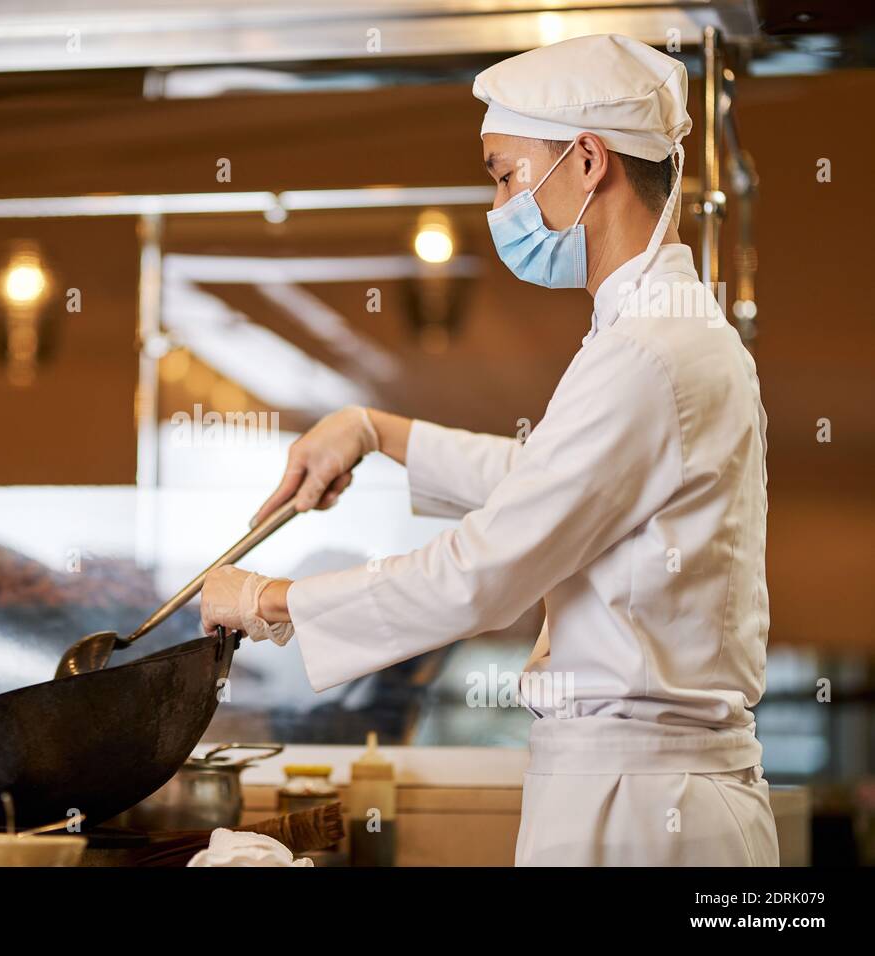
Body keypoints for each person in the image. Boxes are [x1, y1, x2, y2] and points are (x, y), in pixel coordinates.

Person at [199, 33, 778, 866]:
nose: (500, 205)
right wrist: (374, 431)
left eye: (505, 175)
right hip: (646, 791)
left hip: (640, 809)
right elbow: (550, 483)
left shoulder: (647, 353)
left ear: (588, 160)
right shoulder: (662, 334)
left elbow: (485, 569)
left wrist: (271, 599)